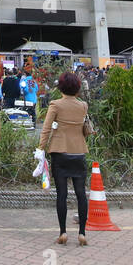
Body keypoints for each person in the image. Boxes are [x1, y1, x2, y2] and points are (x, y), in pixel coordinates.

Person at [37, 71, 91, 246]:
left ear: (60, 87)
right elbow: (85, 129)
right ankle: (82, 233)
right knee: (81, 193)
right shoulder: (83, 106)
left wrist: (40, 148)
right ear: (77, 88)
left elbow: (46, 129)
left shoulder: (56, 105)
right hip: (79, 152)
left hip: (59, 152)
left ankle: (63, 232)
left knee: (62, 194)